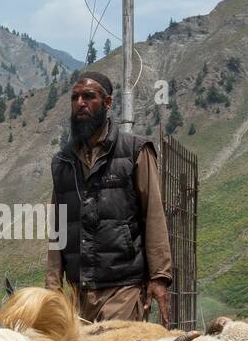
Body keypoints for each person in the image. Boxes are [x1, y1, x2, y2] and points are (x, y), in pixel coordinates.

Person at [46, 71, 173, 324]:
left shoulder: (135, 150)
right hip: (78, 293)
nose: (80, 103)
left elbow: (154, 213)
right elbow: (57, 226)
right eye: (75, 97)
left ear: (107, 103)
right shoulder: (63, 162)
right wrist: (53, 287)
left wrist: (159, 276)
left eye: (89, 96)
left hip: (123, 286)